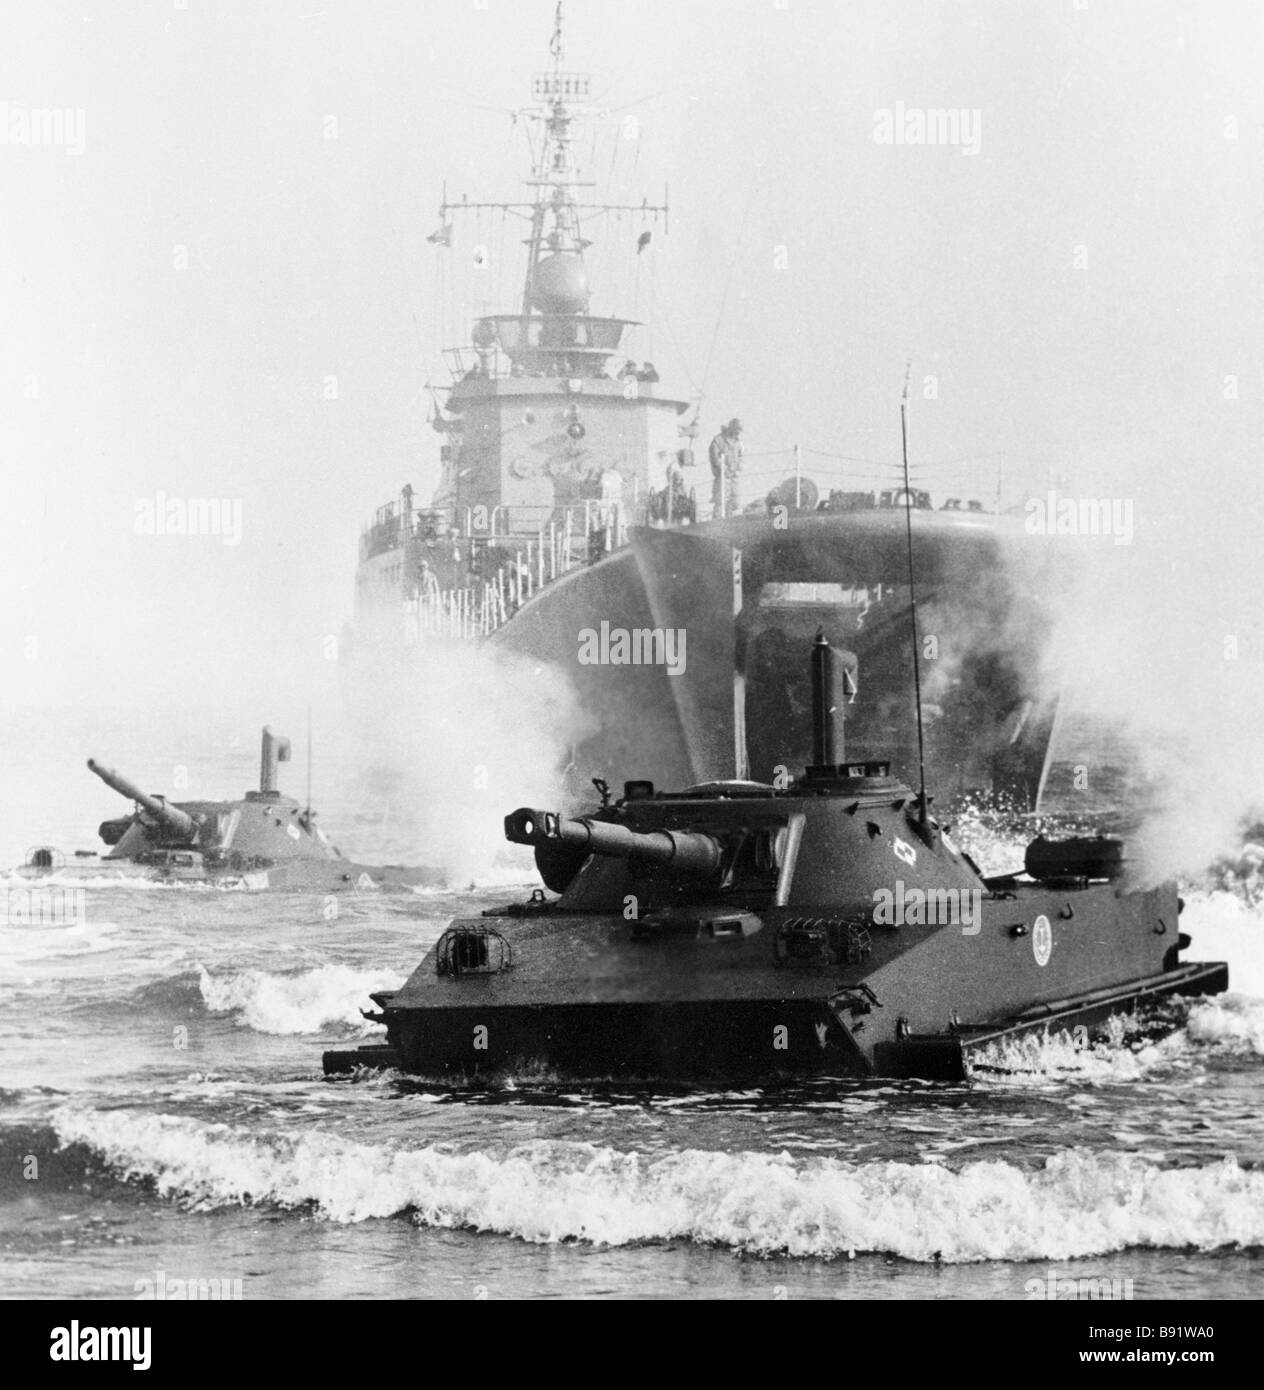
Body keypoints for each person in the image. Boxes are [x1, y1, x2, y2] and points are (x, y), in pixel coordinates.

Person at [709, 418, 743, 518]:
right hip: (722, 476)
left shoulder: (738, 442)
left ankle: (733, 522)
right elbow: (714, 458)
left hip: (734, 476)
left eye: (739, 431)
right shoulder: (718, 440)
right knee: (720, 501)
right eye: (737, 430)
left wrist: (738, 468)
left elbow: (742, 457)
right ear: (731, 428)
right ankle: (717, 523)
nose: (738, 433)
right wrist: (724, 469)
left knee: (736, 501)